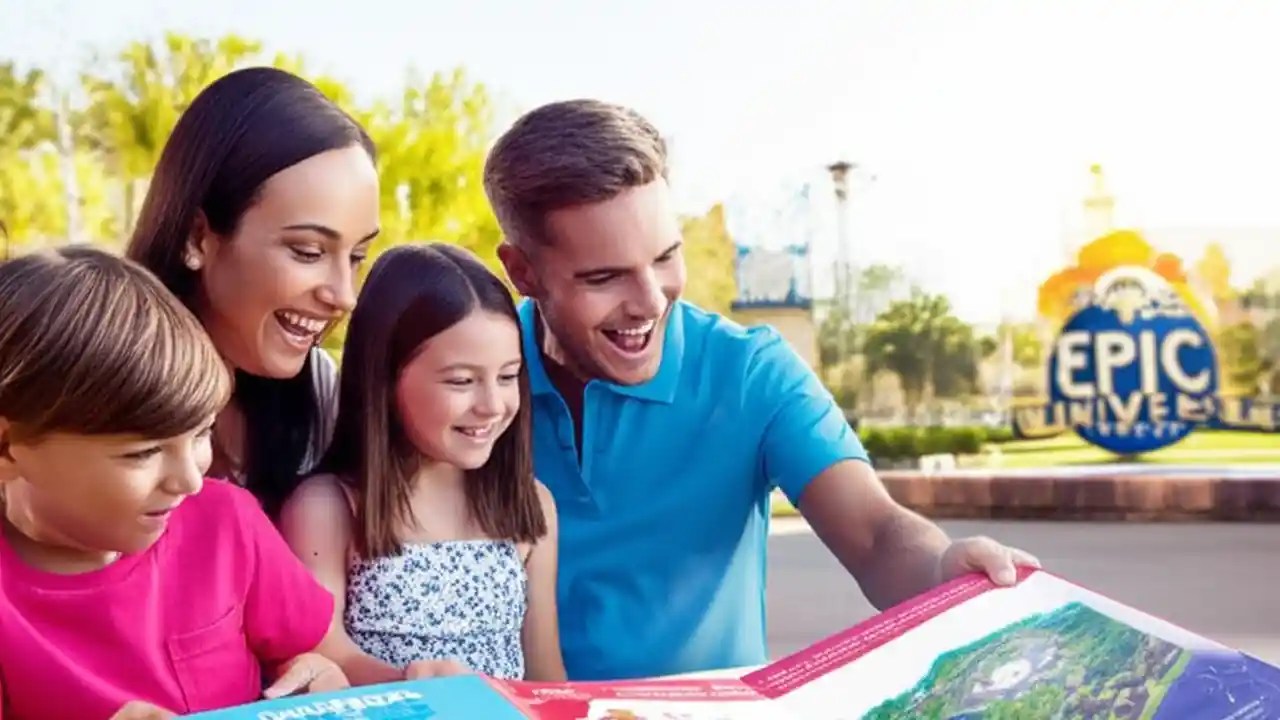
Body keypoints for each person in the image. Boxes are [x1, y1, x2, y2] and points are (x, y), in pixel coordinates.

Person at [481, 99, 1042, 681]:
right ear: (523, 271)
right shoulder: (466, 382)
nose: (650, 300)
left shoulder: (752, 373)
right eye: (604, 277)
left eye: (666, 257)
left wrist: (940, 567)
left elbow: (876, 534)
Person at [0, 247, 354, 719]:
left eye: (201, 434)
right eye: (143, 453)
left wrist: (316, 676)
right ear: (7, 450)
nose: (190, 479)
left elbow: (312, 656)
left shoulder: (225, 522)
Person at [279, 243, 566, 685]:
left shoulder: (530, 504)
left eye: (508, 376)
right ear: (385, 378)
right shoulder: (328, 506)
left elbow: (545, 674)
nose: (492, 405)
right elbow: (322, 650)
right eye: (461, 381)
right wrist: (410, 679)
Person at [126, 66, 380, 517]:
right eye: (307, 251)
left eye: (357, 256)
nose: (344, 295)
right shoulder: (89, 382)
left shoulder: (317, 392)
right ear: (195, 236)